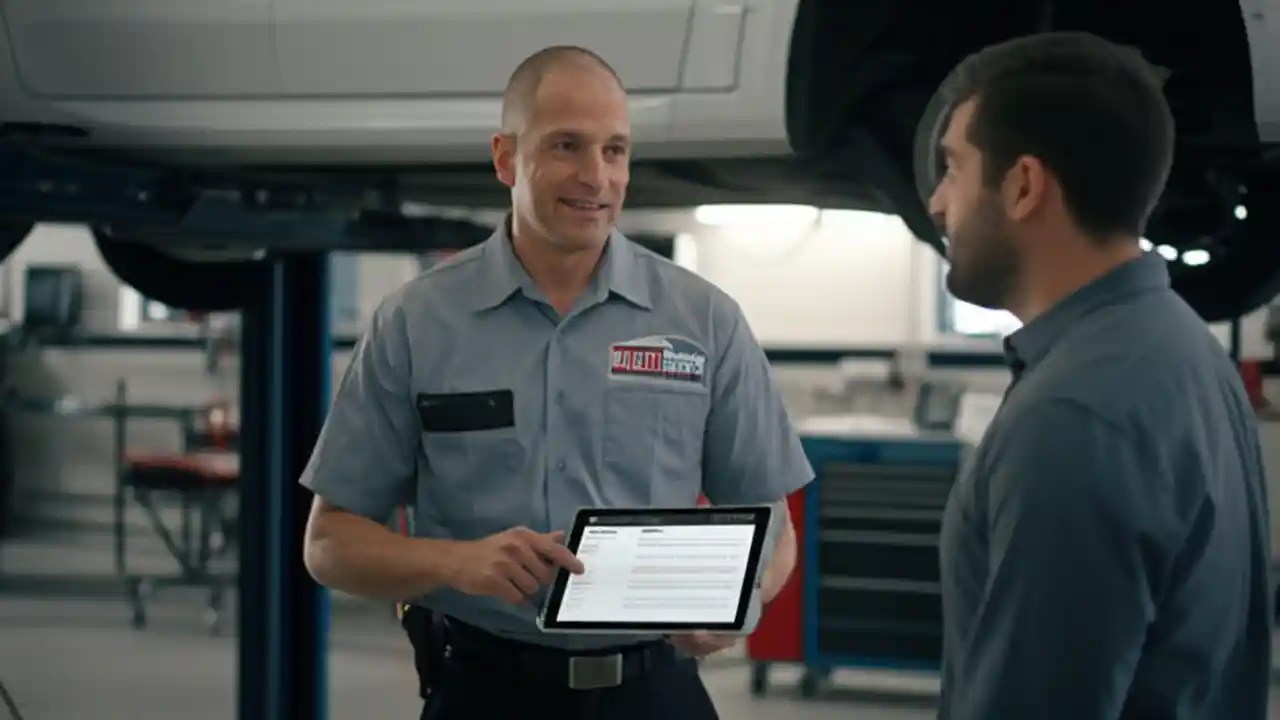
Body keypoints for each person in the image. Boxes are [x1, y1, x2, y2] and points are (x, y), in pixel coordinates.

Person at [299, 45, 813, 719]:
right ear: (506, 157)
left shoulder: (705, 321)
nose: (596, 176)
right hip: (483, 691)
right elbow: (329, 543)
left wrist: (740, 605)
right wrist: (456, 563)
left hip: (654, 693)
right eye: (567, 146)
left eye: (615, 150)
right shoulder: (417, 322)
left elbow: (774, 525)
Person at [922, 31, 1274, 719]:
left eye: (954, 168)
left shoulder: (1074, 413)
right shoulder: (1182, 347)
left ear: (1023, 186)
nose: (936, 203)